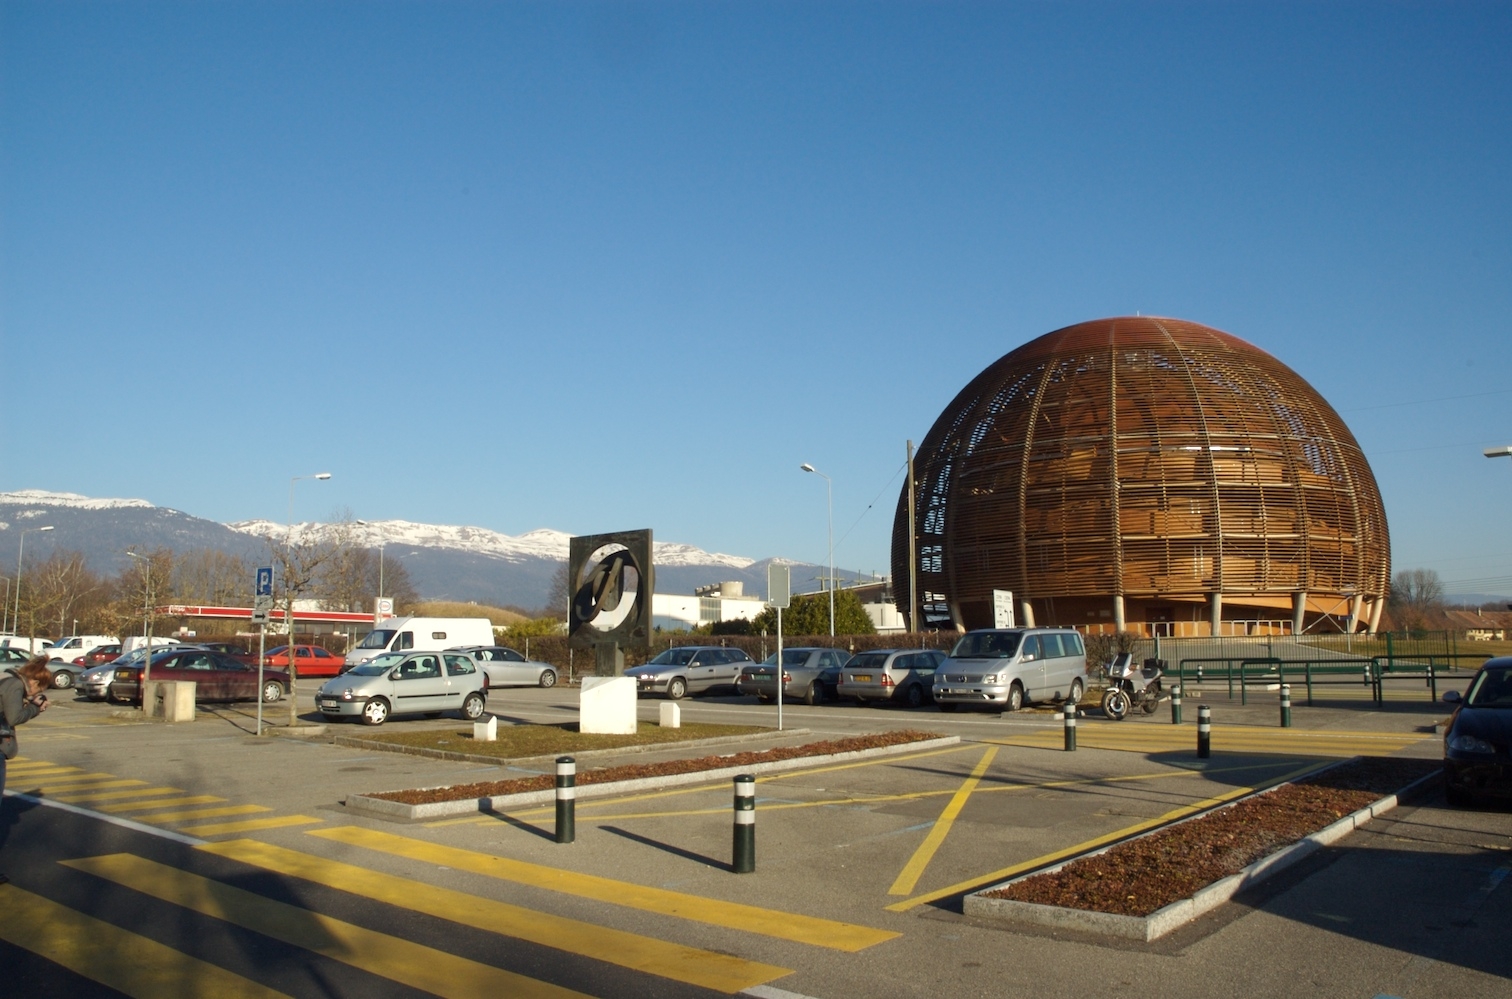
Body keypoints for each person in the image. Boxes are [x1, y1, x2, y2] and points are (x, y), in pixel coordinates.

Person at [1, 655, 52, 885]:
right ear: (34, 682)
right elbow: (14, 717)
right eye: (39, 688)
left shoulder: (6, 679)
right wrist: (34, 708)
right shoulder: (14, 686)